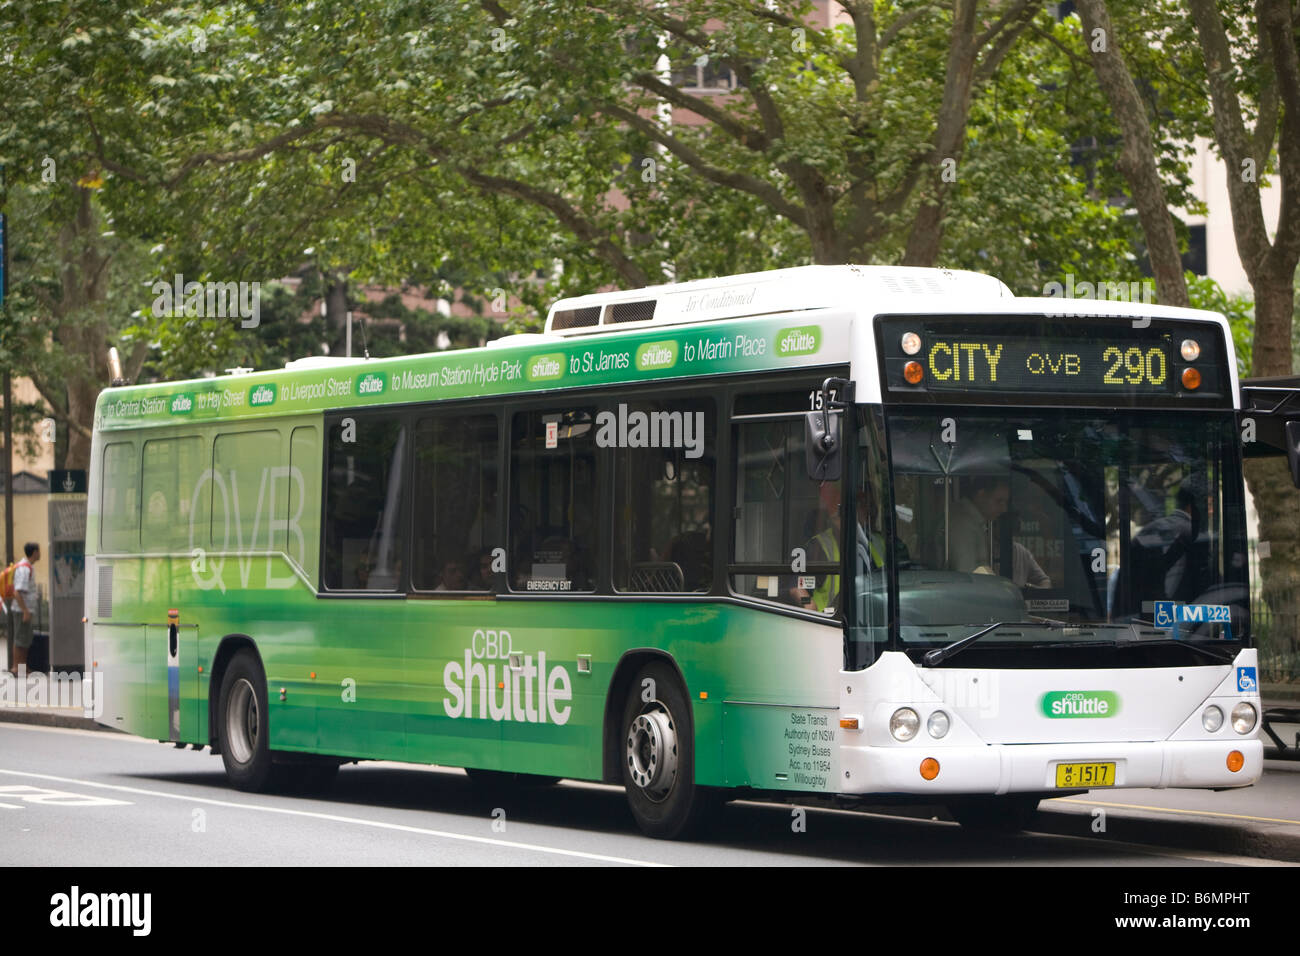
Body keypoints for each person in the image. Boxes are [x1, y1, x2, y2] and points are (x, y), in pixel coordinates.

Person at [949, 477, 1050, 588]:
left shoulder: (973, 524)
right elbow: (966, 579)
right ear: (981, 495)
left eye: (1005, 502)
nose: (1004, 509)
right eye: (999, 501)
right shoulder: (962, 524)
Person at [10, 543, 40, 674]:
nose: (40, 554)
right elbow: (17, 592)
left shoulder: (28, 567)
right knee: (20, 639)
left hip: (25, 609)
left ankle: (23, 667)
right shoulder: (25, 569)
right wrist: (25, 611)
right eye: (38, 551)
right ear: (34, 552)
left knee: (25, 639)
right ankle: (17, 668)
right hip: (22, 610)